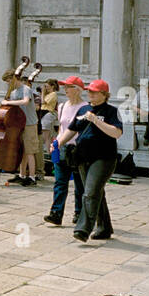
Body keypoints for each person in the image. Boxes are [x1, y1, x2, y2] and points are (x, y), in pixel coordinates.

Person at [56, 79, 122, 242]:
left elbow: (116, 133)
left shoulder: (111, 111)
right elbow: (71, 130)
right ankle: (104, 228)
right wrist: (58, 143)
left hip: (104, 158)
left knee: (90, 192)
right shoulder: (83, 109)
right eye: (89, 91)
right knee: (95, 192)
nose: (90, 94)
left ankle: (83, 228)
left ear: (104, 95)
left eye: (94, 92)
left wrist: (95, 120)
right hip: (82, 157)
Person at [44, 77, 86, 227]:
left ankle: (79, 212)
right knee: (60, 182)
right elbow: (61, 128)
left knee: (80, 184)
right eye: (65, 87)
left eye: (69, 87)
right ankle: (56, 213)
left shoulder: (85, 107)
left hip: (78, 149)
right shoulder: (62, 106)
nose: (65, 90)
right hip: (62, 147)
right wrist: (55, 144)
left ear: (77, 89)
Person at [0, 69, 41, 186]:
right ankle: (22, 175)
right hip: (19, 124)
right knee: (22, 151)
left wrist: (8, 103)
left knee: (30, 151)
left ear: (14, 78)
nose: (8, 84)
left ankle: (32, 177)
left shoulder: (26, 89)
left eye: (8, 81)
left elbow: (26, 101)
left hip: (30, 123)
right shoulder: (13, 92)